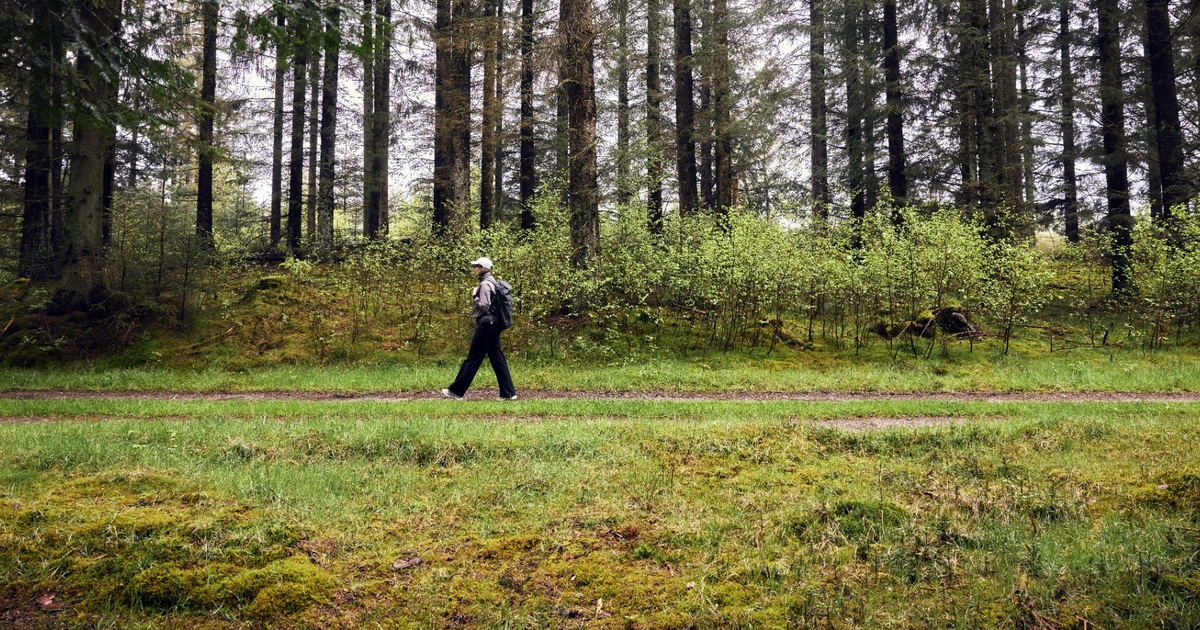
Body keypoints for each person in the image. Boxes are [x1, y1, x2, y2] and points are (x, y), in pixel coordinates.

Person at [442, 257, 517, 400]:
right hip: (494, 325)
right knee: (497, 359)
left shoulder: (485, 285)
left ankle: (456, 391)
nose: (475, 268)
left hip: (486, 326)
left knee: (473, 358)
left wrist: (475, 296)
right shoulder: (493, 282)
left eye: (477, 266)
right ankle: (508, 393)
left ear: (484, 268)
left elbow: (484, 306)